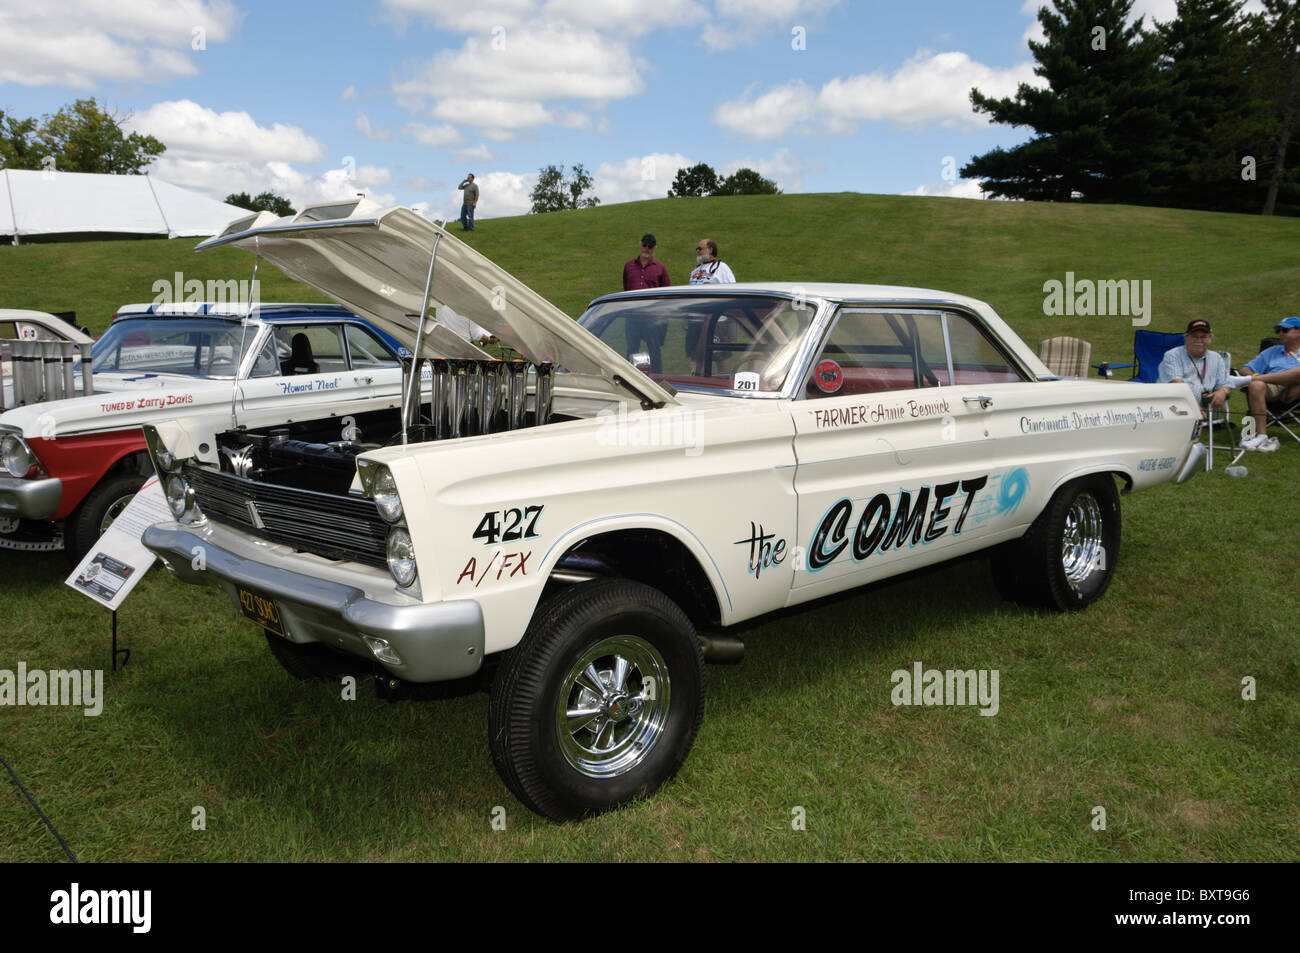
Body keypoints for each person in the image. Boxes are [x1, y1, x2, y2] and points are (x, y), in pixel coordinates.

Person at [1232, 316, 1300, 451]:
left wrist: (1258, 378)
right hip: (1273, 388)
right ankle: (1262, 436)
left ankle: (1254, 380)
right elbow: (1245, 369)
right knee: (1256, 385)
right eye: (1278, 331)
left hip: (1296, 390)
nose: (1280, 334)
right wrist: (1255, 377)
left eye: (1285, 330)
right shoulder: (1272, 351)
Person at [1157, 319, 1231, 419]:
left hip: (1203, 405)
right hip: (1173, 403)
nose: (1199, 340)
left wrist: (1223, 392)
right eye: (1194, 336)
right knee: (1190, 417)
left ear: (1210, 339)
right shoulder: (1172, 355)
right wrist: (1195, 407)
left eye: (1203, 337)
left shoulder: (1217, 358)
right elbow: (1177, 385)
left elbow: (1226, 383)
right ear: (1186, 338)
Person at [622, 234, 670, 372]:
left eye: (650, 246)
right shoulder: (629, 266)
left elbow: (666, 292)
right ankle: (629, 377)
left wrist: (662, 316)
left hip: (652, 317)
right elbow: (626, 288)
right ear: (640, 244)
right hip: (632, 315)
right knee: (631, 349)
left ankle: (657, 379)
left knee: (654, 349)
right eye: (645, 245)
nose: (647, 249)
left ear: (654, 248)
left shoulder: (660, 268)